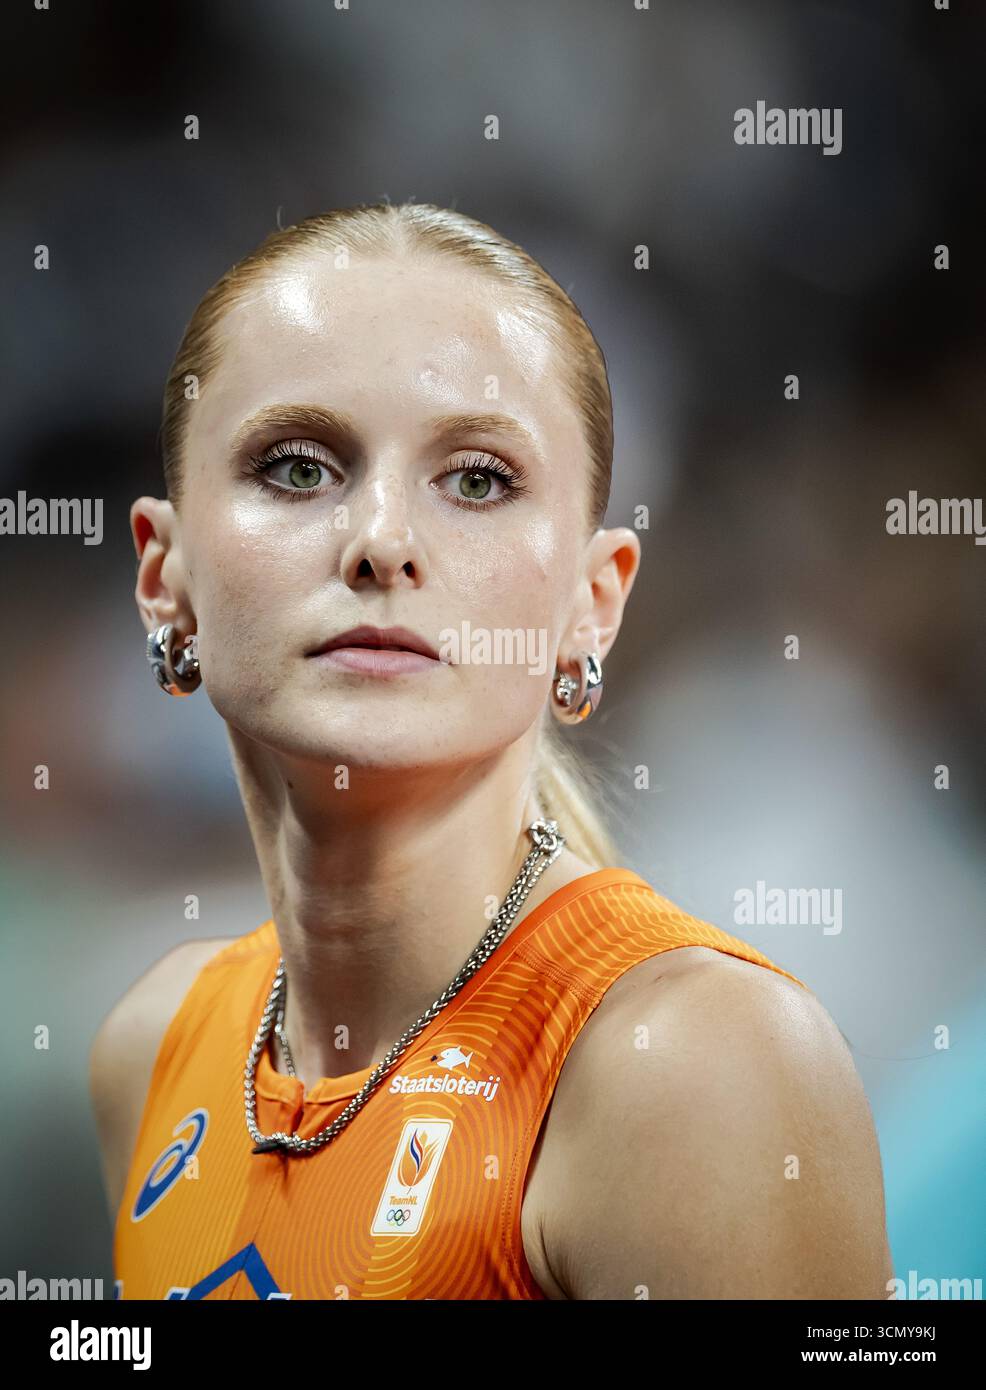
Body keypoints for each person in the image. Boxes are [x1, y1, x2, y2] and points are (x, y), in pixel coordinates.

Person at [90, 201, 894, 1300]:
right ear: (163, 580)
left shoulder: (697, 1067)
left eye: (475, 479)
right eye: (296, 467)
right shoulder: (151, 1047)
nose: (380, 541)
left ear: (590, 604)